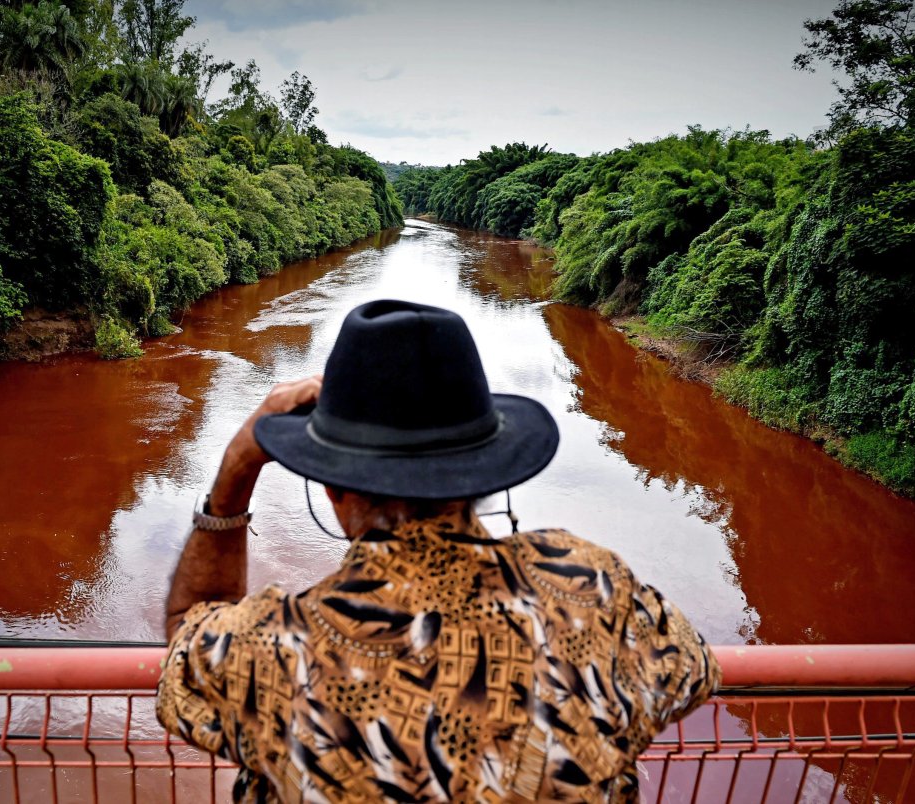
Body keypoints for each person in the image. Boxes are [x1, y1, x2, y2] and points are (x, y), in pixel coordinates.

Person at [157, 299, 719, 802]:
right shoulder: (592, 586)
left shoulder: (272, 648)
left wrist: (237, 465)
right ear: (485, 469)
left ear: (334, 488)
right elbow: (690, 673)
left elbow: (188, 631)